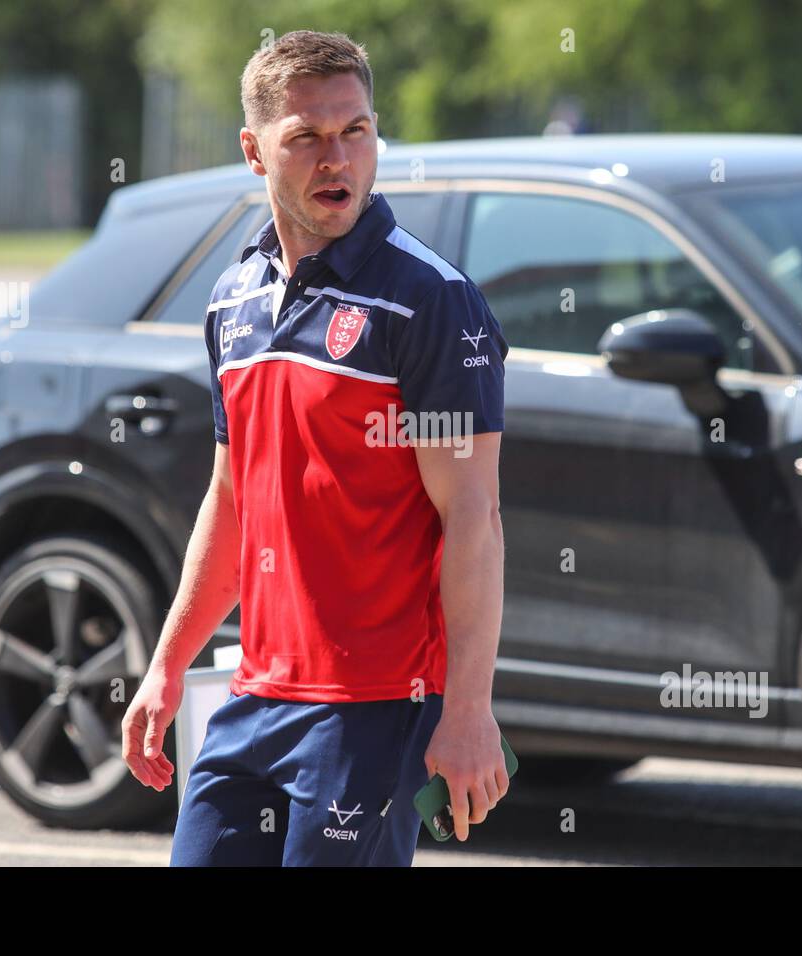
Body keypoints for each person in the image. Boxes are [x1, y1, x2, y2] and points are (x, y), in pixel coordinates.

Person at [120, 29, 511, 866]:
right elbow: (232, 501)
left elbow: (473, 517)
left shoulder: (431, 302)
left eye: (356, 131)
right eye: (306, 137)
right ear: (254, 152)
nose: (337, 159)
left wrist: (468, 708)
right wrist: (167, 665)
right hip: (255, 694)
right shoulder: (233, 301)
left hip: (375, 706)